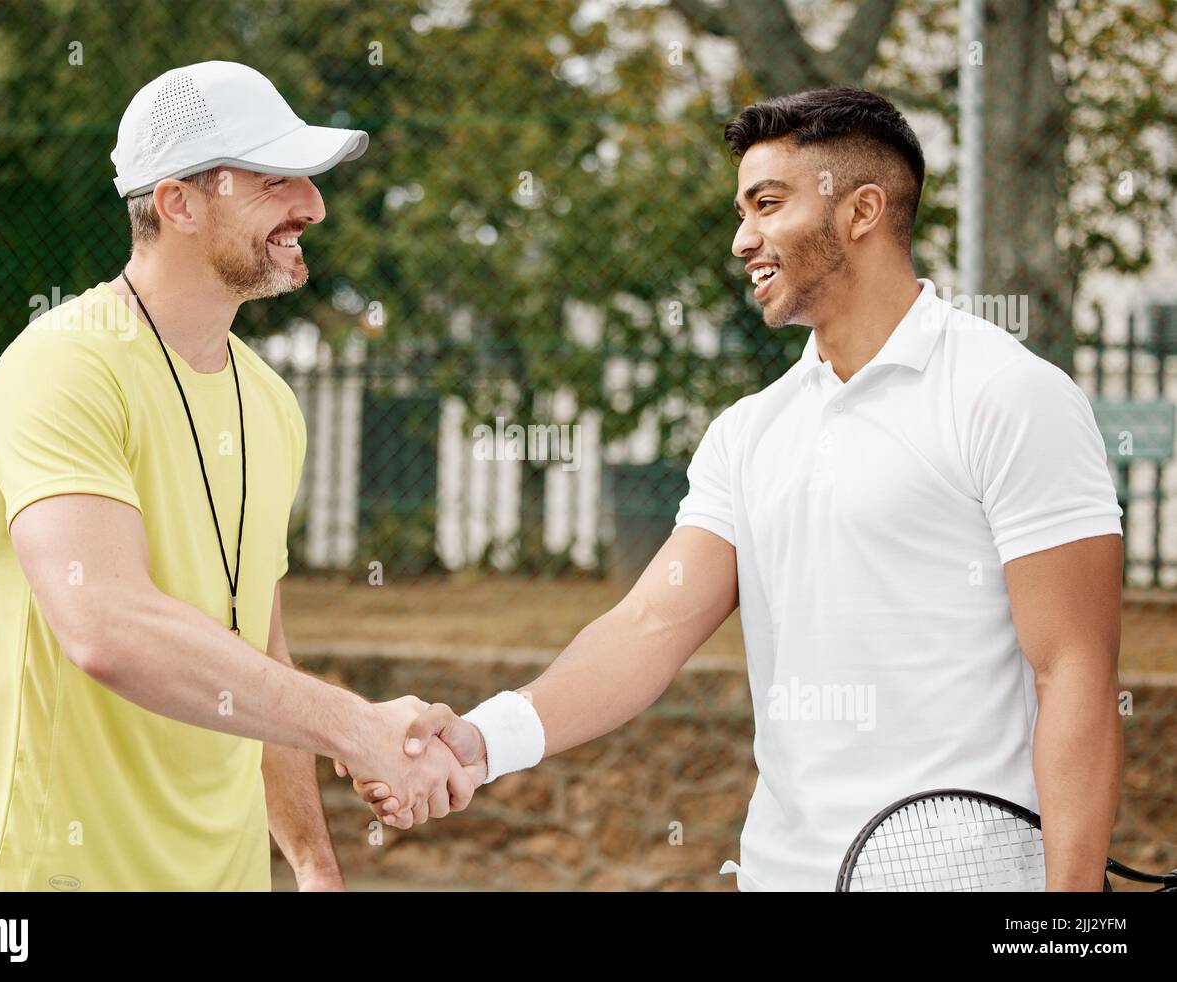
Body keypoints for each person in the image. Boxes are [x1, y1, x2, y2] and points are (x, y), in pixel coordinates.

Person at [337, 87, 1125, 892]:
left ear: (860, 211)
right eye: (741, 210)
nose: (744, 237)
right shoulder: (752, 430)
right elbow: (650, 623)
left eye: (768, 204)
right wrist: (480, 739)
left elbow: (1076, 672)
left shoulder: (1010, 396)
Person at [0, 61, 471, 892]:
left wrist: (312, 862)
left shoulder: (270, 404)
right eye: (274, 180)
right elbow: (107, 627)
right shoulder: (63, 365)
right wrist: (354, 726)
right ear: (178, 203)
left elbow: (256, 653)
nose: (310, 205)